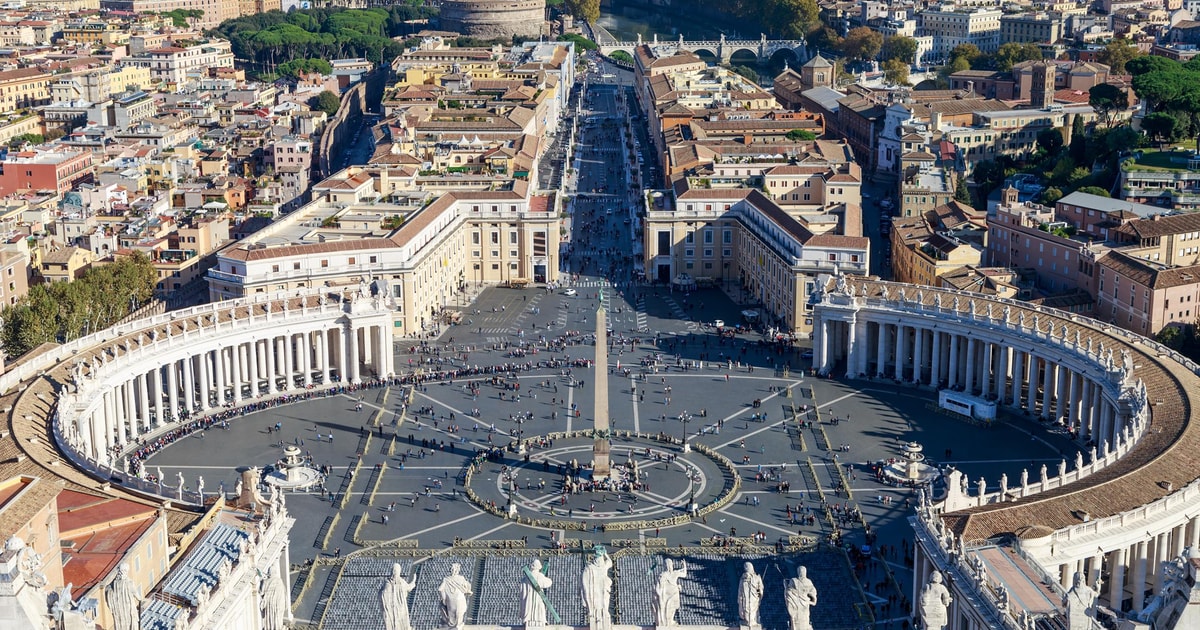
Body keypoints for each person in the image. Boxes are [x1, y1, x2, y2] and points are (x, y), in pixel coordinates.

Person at [582, 546, 613, 630]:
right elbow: (584, 584)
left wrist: (605, 554)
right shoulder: (589, 568)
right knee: (595, 608)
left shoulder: (603, 566)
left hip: (603, 592)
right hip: (594, 593)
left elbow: (610, 562)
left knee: (605, 605)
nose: (599, 560)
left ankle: (603, 614)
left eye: (601, 558)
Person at [381, 563, 417, 630]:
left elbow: (382, 594)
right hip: (400, 608)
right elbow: (409, 587)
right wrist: (414, 581)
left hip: (393, 609)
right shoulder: (401, 582)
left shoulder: (388, 583)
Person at [439, 563, 473, 629]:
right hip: (459, 600)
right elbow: (467, 588)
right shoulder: (461, 578)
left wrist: (444, 599)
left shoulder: (446, 579)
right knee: (460, 613)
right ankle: (458, 625)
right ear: (457, 570)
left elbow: (440, 589)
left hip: (450, 601)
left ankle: (452, 625)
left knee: (451, 615)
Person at [653, 558, 687, 627]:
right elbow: (684, 574)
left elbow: (659, 585)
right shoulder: (673, 573)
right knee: (671, 607)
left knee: (671, 607)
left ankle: (669, 621)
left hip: (670, 593)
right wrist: (684, 566)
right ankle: (669, 621)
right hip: (672, 593)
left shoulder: (664, 574)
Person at [521, 559, 554, 627]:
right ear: (539, 567)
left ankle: (528, 619)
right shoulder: (540, 576)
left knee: (529, 608)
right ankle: (541, 620)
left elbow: (523, 592)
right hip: (538, 597)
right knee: (540, 609)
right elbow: (549, 583)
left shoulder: (525, 578)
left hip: (529, 598)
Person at [784, 566, 817, 630]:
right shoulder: (808, 582)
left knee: (800, 621)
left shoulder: (794, 581)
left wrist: (786, 586)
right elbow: (814, 598)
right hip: (804, 607)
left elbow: (789, 592)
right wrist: (808, 600)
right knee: (802, 622)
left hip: (797, 607)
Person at [738, 562, 763, 628]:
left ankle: (752, 622)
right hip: (746, 598)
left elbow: (760, 588)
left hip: (753, 599)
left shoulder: (756, 578)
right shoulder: (743, 579)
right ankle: (749, 622)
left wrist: (759, 592)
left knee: (753, 610)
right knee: (747, 610)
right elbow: (740, 591)